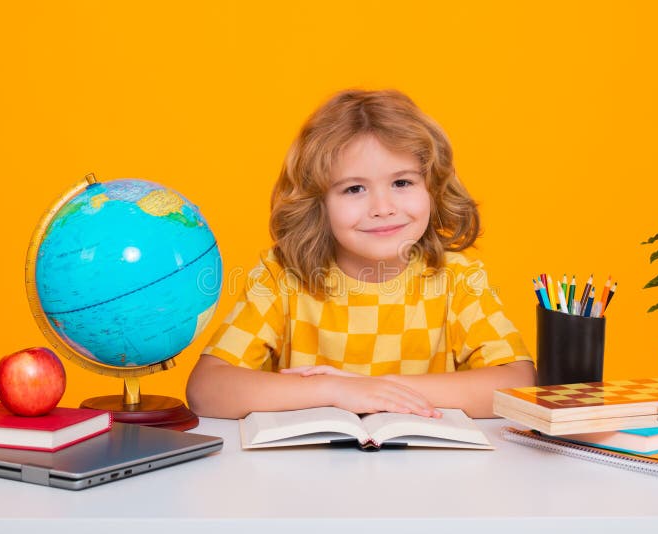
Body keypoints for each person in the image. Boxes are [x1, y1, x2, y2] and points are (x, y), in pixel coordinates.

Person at [186, 89, 535, 419]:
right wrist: (333, 389)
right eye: (354, 189)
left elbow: (518, 382)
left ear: (432, 187)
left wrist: (374, 391)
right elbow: (207, 389)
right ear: (317, 204)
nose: (382, 208)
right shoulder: (282, 277)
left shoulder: (457, 278)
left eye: (402, 183)